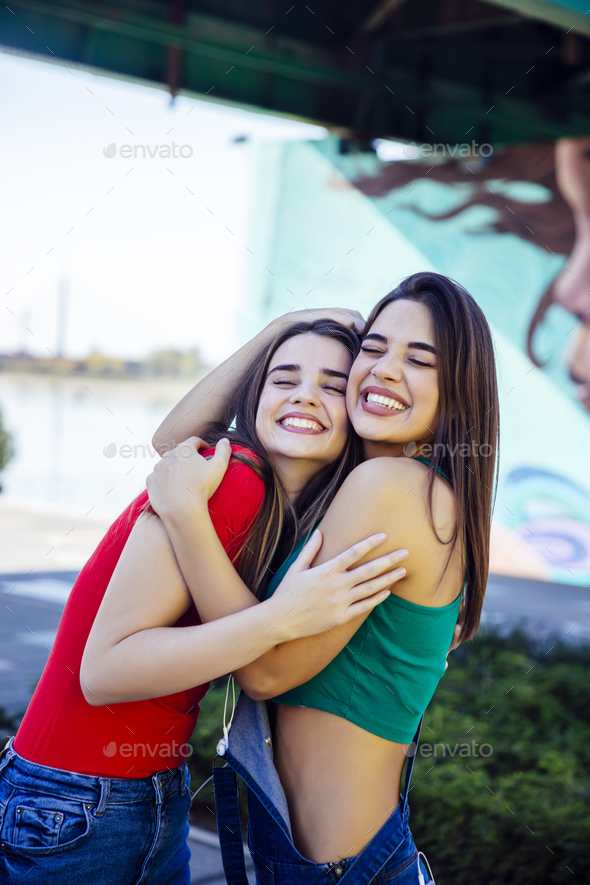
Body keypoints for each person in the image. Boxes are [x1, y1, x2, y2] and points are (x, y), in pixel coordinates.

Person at [0, 319, 408, 885]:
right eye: (281, 379)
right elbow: (104, 672)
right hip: (85, 798)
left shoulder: (278, 509)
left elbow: (168, 441)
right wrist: (282, 616)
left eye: (333, 386)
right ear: (254, 399)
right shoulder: (233, 482)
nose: (304, 395)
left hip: (116, 792)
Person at [147, 271, 498, 883]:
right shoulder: (370, 482)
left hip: (343, 869)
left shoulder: (392, 489)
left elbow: (262, 669)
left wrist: (185, 519)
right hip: (341, 861)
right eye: (374, 347)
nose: (385, 370)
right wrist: (285, 329)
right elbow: (178, 444)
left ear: (459, 394)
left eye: (419, 360)